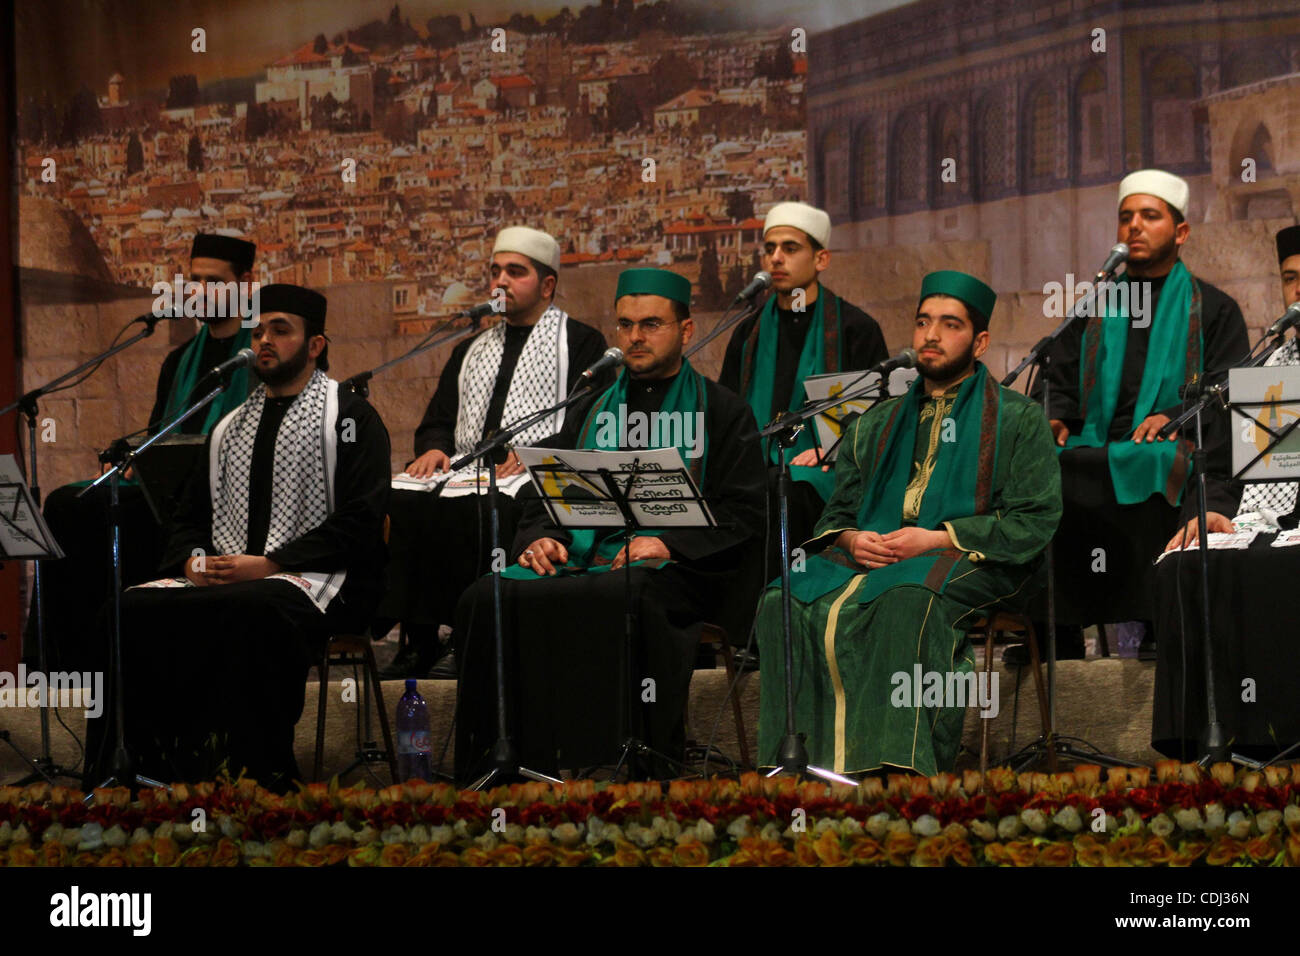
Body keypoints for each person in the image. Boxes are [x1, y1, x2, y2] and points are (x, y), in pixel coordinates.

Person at [453, 267, 765, 782]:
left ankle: (636, 766)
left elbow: (744, 513)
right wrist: (541, 539)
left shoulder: (723, 412)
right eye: (625, 325)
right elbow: (541, 492)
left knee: (630, 592)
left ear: (686, 331)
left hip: (678, 571)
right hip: (585, 557)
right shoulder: (589, 405)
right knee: (483, 598)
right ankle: (504, 770)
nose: (635, 337)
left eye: (651, 324)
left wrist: (666, 542)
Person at [753, 270, 1061, 777]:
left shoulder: (1018, 418)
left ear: (980, 341)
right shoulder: (874, 422)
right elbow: (838, 511)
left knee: (905, 600)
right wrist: (851, 537)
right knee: (780, 599)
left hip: (979, 558)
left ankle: (895, 770)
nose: (930, 336)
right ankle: (797, 768)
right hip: (878, 554)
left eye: (949, 324)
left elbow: (1035, 518)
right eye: (922, 322)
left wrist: (939, 537)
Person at [84, 284, 391, 792]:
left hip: (325, 579)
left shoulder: (352, 419)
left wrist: (271, 564)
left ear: (315, 345)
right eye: (259, 329)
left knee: (257, 606)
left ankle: (257, 776)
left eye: (280, 329)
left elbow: (361, 521)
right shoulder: (229, 427)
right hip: (236, 577)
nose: (264, 340)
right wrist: (190, 563)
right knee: (124, 610)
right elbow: (187, 519)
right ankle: (139, 773)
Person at [1027, 170, 1248, 663]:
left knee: (1155, 462)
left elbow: (1227, 389)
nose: (1134, 226)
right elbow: (1054, 373)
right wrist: (1057, 415)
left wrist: (1173, 414)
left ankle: (1156, 620)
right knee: (1046, 468)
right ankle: (1054, 631)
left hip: (1169, 447)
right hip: (1097, 441)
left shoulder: (1213, 308)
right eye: (1126, 217)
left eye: (1150, 216)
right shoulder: (1096, 303)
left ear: (1181, 232)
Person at [376, 226, 608, 679]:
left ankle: (470, 635)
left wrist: (538, 450)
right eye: (495, 271)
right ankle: (419, 639)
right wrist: (434, 450)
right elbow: (440, 418)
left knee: (493, 505)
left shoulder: (582, 343)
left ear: (546, 285)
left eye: (515, 272)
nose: (500, 281)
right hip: (464, 467)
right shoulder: (469, 349)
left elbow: (587, 416)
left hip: (533, 469)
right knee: (401, 497)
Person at [30, 232, 258, 673]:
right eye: (194, 280)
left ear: (245, 283)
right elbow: (158, 435)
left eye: (213, 281)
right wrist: (133, 460)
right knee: (69, 503)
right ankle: (65, 663)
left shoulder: (257, 357)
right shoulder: (179, 360)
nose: (199, 291)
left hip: (221, 501)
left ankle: (112, 659)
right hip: (165, 493)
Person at [1150, 225, 1300, 758]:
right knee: (1187, 560)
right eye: (1290, 279)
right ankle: (1209, 748)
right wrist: (1210, 512)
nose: (1298, 292)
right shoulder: (1271, 374)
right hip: (1270, 525)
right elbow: (1223, 473)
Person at [719, 201, 888, 586]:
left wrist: (835, 447)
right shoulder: (747, 335)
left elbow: (881, 419)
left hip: (827, 474)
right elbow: (727, 414)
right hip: (757, 468)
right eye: (769, 248)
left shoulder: (855, 329)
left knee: (785, 495)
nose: (775, 259)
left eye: (790, 249)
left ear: (821, 258)